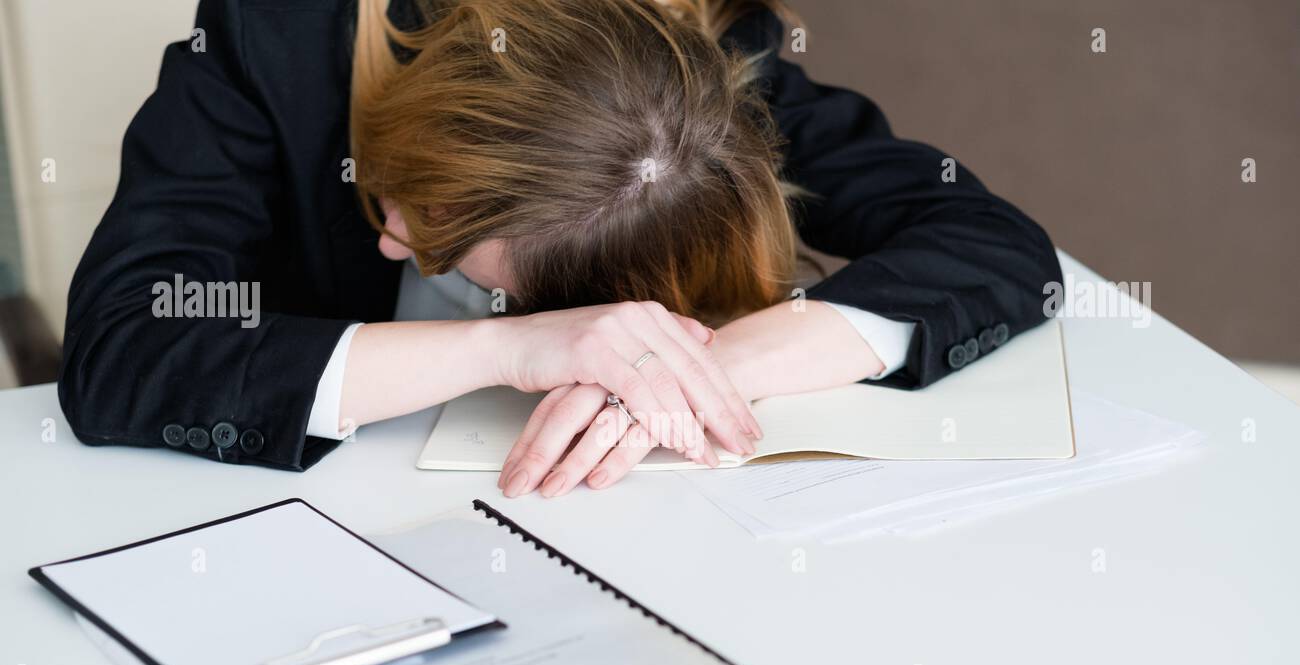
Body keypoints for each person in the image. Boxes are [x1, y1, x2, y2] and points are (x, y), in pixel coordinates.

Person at [60, 0, 1061, 496]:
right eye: (405, 199)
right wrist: (511, 348)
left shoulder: (704, 60)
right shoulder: (274, 35)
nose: (394, 234)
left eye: (452, 243)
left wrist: (713, 370)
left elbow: (989, 241)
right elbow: (121, 347)